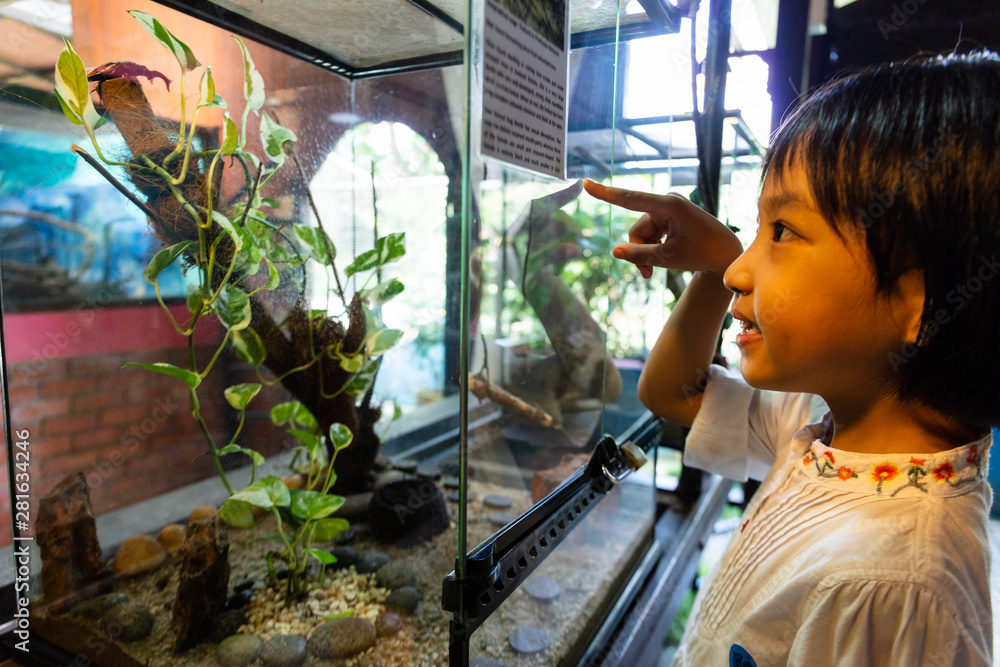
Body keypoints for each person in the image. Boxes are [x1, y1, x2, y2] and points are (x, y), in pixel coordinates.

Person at [585, 50, 1000, 666]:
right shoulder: (823, 424)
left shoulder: (899, 590)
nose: (740, 269)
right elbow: (669, 394)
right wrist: (711, 269)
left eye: (781, 231)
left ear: (918, 299)